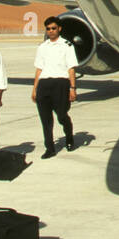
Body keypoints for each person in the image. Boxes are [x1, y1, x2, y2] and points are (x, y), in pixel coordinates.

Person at [32, 16, 79, 159]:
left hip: (61, 83)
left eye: (53, 28)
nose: (51, 31)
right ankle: (50, 148)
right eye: (48, 29)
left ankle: (69, 137)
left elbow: (71, 68)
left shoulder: (67, 46)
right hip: (44, 84)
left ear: (59, 28)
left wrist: (72, 88)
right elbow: (39, 69)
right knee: (45, 119)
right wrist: (34, 88)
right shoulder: (42, 47)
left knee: (62, 115)